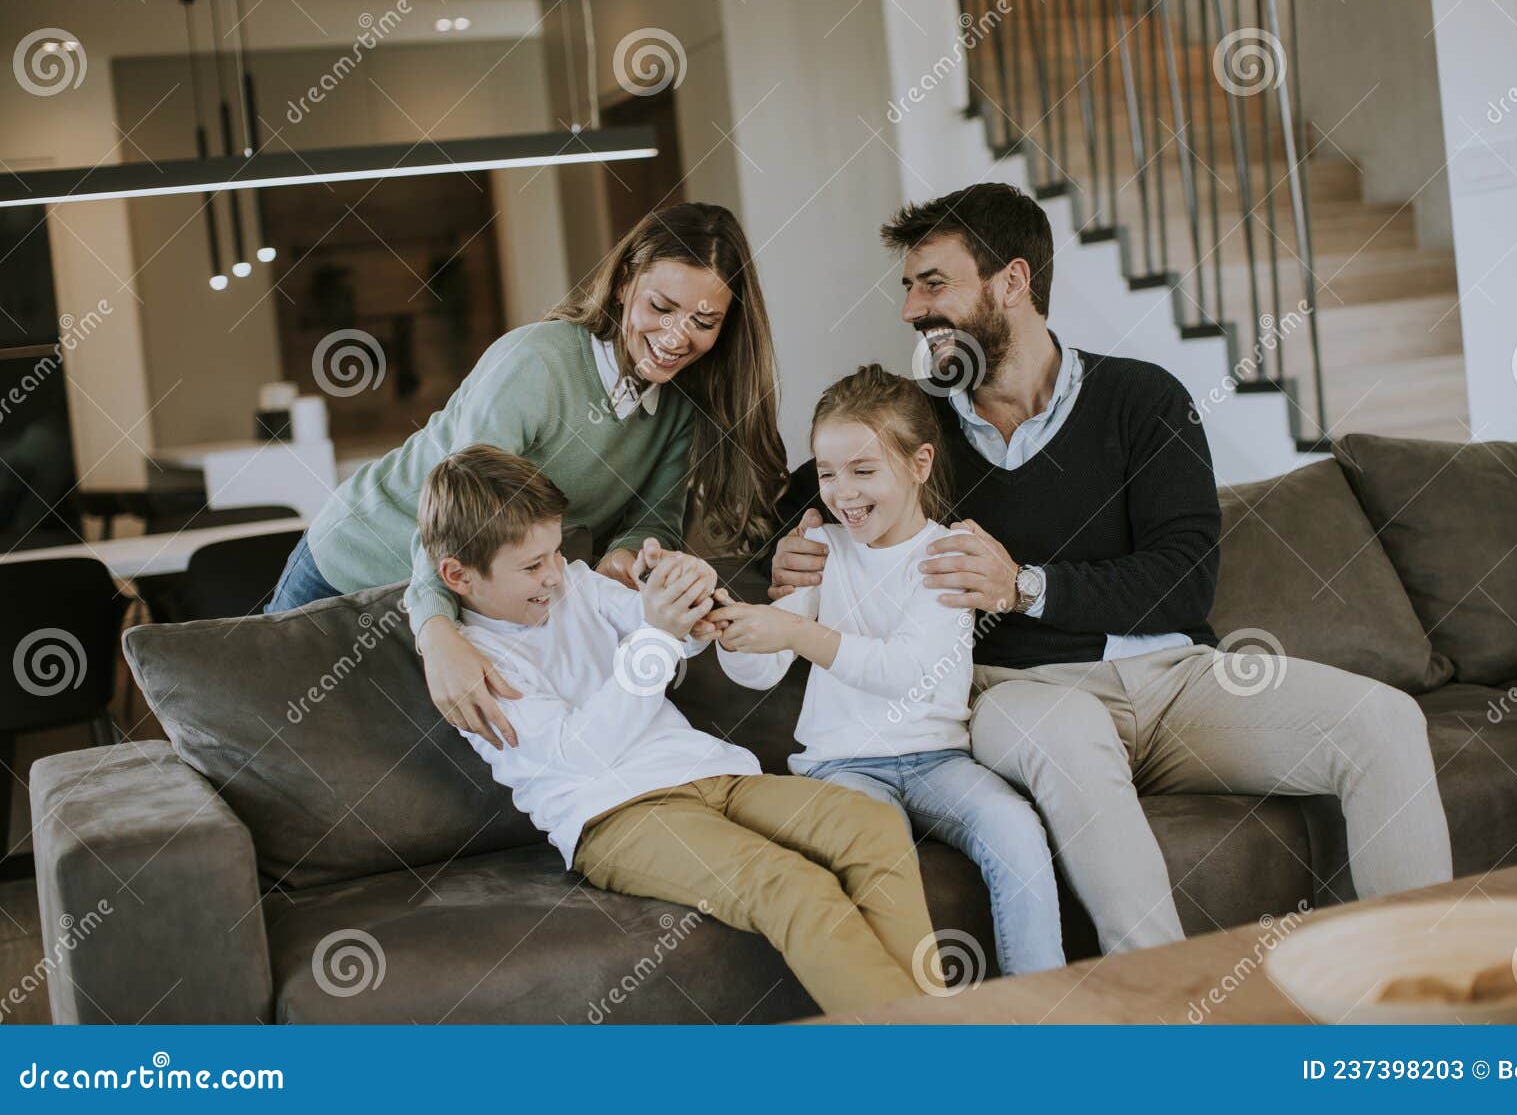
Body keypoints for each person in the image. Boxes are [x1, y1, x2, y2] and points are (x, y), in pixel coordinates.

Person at [770, 183, 1454, 955]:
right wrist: (791, 546)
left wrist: (1024, 585)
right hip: (1019, 693)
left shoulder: (1142, 398)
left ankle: (1423, 999)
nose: (911, 310)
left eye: (934, 283)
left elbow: (1184, 577)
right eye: (909, 287)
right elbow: (815, 491)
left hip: (1175, 677)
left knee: (1386, 721)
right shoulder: (918, 428)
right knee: (1071, 740)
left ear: (1013, 283)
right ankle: (1170, 1017)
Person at [417, 444, 941, 1015]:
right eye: (531, 566)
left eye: (555, 553)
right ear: (457, 576)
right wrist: (660, 636)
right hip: (616, 814)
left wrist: (683, 591)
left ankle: (938, 1027)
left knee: (872, 824)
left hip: (711, 773)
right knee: (792, 887)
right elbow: (580, 754)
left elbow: (679, 635)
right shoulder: (469, 670)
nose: (554, 576)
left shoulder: (578, 585)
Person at [265, 202, 788, 751]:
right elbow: (453, 509)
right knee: (271, 736)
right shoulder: (536, 364)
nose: (677, 335)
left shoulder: (681, 407)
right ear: (624, 284)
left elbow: (655, 513)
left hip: (463, 596)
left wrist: (626, 556)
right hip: (359, 558)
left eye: (703, 322)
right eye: (661, 306)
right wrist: (435, 630)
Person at [714, 364, 1064, 976]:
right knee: (877, 842)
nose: (843, 493)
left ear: (919, 464)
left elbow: (907, 672)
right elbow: (762, 670)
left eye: (863, 471)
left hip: (938, 760)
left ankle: (1039, 1017)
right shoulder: (820, 546)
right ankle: (905, 1024)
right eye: (827, 474)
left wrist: (795, 631)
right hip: (840, 764)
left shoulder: (951, 553)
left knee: (1015, 828)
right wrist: (732, 633)